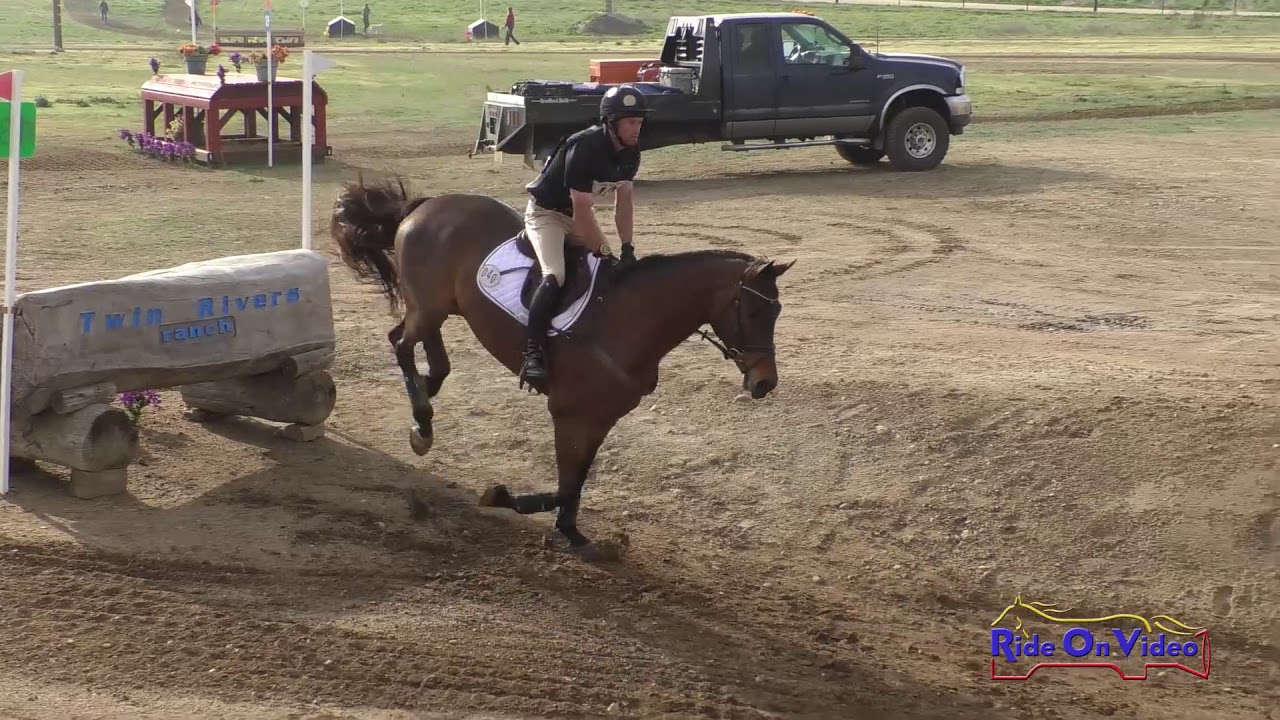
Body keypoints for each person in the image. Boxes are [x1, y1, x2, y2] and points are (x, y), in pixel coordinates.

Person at [518, 84, 651, 391]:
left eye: (640, 122)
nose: (637, 129)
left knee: (610, 273)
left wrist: (628, 248)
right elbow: (581, 212)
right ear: (611, 123)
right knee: (555, 275)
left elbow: (625, 202)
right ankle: (532, 352)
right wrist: (606, 250)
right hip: (547, 215)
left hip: (576, 217)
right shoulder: (585, 147)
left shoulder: (632, 152)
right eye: (631, 122)